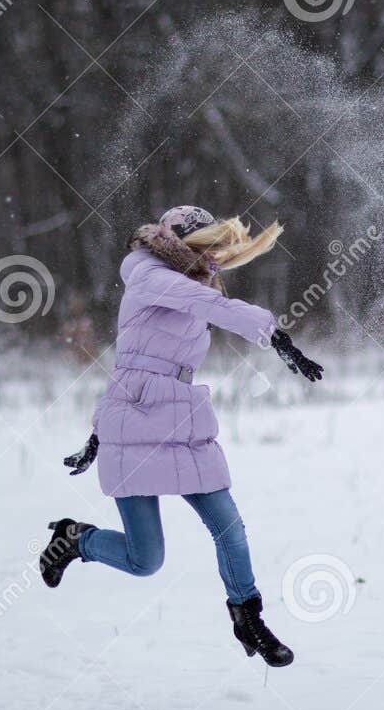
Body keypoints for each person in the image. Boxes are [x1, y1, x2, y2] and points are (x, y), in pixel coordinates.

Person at [40, 205, 325, 669]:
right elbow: (139, 364)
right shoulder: (150, 275)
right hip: (132, 420)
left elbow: (138, 356)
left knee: (228, 525)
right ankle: (74, 540)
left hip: (180, 415)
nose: (215, 255)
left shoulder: (195, 285)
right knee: (144, 560)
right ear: (180, 245)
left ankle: (247, 616)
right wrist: (275, 336)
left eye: (217, 245)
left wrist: (97, 431)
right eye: (206, 245)